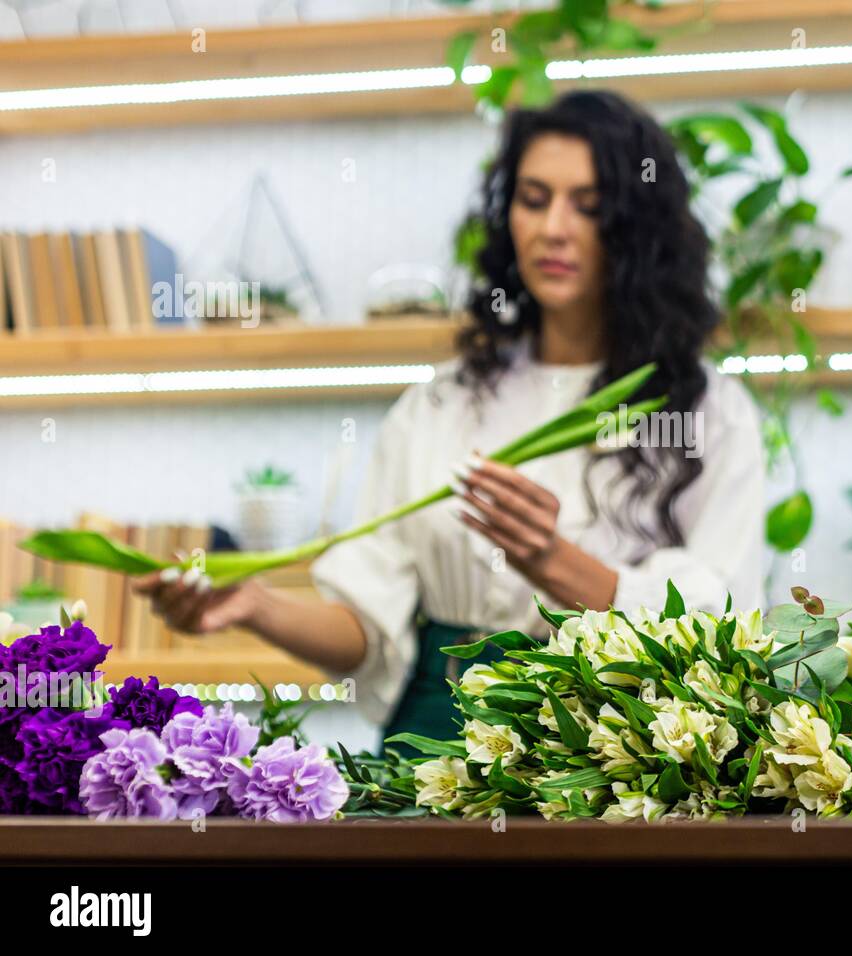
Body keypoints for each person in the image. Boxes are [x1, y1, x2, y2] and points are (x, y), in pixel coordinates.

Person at [133, 90, 765, 746]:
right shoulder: (441, 405)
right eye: (533, 198)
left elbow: (722, 620)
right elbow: (366, 628)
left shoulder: (706, 413)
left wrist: (556, 565)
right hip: (435, 737)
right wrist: (254, 605)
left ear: (638, 225)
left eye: (590, 205)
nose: (553, 227)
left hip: (607, 743)